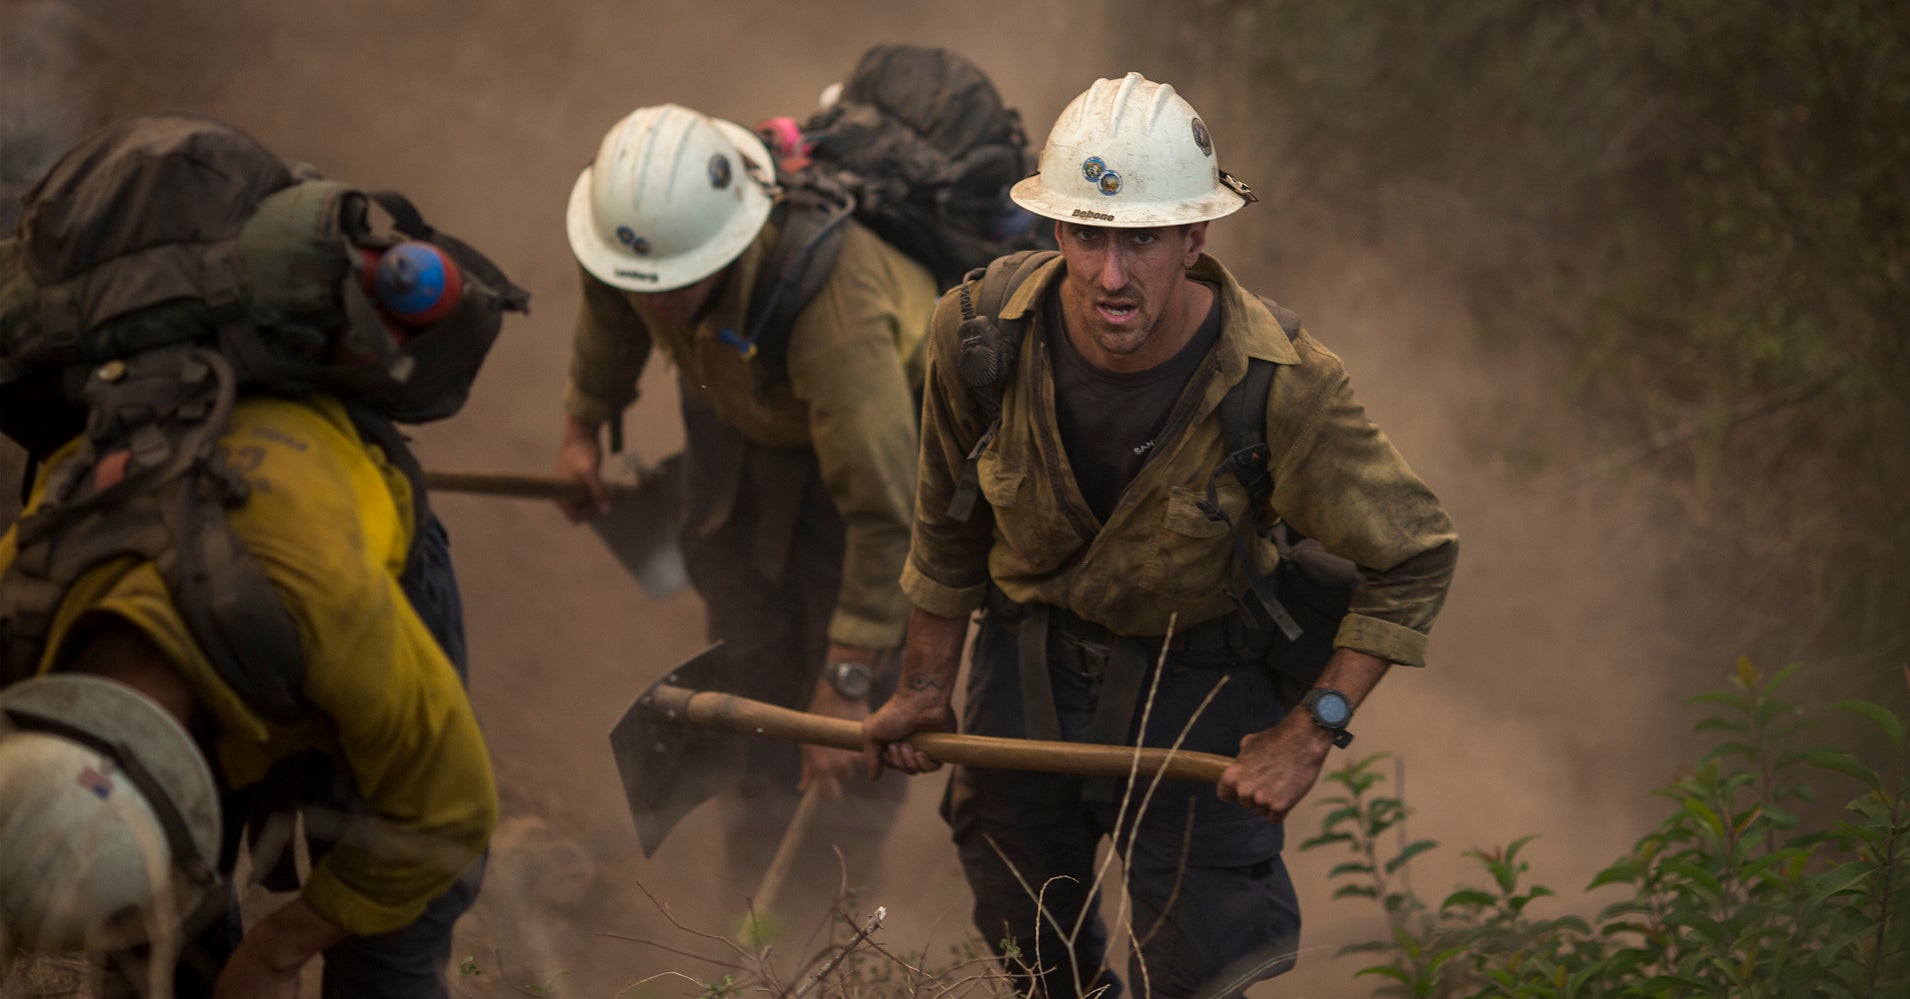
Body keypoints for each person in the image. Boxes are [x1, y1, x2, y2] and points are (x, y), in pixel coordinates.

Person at [862, 73, 1460, 998]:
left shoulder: (1284, 385)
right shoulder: (977, 336)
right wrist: (926, 683)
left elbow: (1415, 556)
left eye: (1140, 239)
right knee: (1031, 950)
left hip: (1202, 691)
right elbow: (946, 526)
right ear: (1056, 230)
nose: (1110, 274)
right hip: (1025, 673)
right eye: (1089, 236)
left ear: (1195, 237)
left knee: (1199, 971)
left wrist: (1311, 730)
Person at [0, 114, 517, 998]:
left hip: (351, 559)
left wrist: (279, 948)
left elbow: (449, 810)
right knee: (153, 963)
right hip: (219, 587)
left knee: (384, 961)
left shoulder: (325, 602)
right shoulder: (22, 597)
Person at [555, 104, 936, 918]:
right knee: (750, 672)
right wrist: (583, 424)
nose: (652, 301)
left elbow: (887, 514)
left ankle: (833, 926)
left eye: (673, 283)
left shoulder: (836, 313)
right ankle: (750, 897)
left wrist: (846, 681)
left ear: (726, 244)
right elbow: (612, 302)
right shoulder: (634, 245)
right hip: (742, 425)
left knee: (844, 737)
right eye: (640, 281)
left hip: (870, 474)